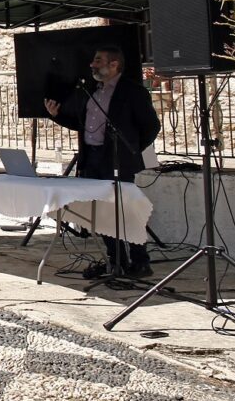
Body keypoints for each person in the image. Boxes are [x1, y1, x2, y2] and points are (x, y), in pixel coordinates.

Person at [44, 45, 161, 278]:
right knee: (104, 213)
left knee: (126, 211)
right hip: (93, 158)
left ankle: (140, 261)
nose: (92, 65)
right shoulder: (92, 91)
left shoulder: (133, 92)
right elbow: (83, 124)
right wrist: (57, 116)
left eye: (98, 60)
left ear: (114, 64)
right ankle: (116, 260)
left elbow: (151, 126)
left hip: (119, 159)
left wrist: (132, 150)